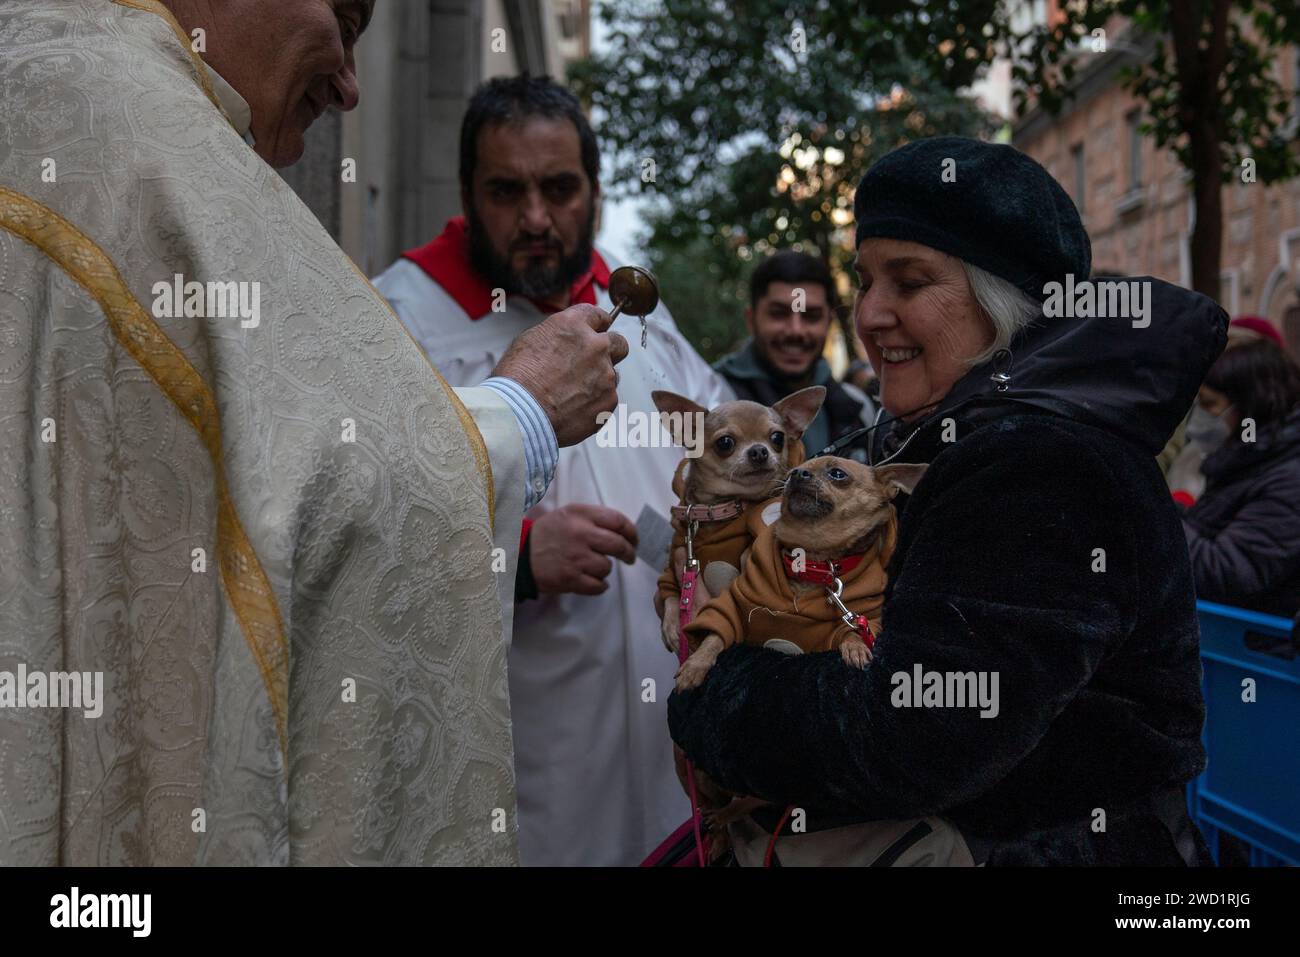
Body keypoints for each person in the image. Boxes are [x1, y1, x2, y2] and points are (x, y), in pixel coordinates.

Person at [0, 0, 625, 865]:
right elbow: (336, 482)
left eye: (560, 189)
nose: (351, 87)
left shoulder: (66, 88)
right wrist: (518, 424)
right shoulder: (141, 140)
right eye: (348, 16)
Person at [669, 136, 1225, 866]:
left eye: (910, 281)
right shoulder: (940, 435)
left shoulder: (1040, 461)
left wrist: (707, 687)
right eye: (865, 281)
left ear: (1004, 305)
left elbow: (910, 734)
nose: (870, 315)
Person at [371, 75, 730, 865]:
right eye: (507, 191)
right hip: (525, 758)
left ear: (595, 192)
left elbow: (720, 437)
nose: (537, 219)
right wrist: (521, 558)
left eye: (560, 189)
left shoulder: (640, 312)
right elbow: (360, 534)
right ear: (468, 192)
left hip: (665, 744)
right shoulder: (393, 319)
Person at [713, 251, 876, 459]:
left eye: (811, 316)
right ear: (751, 320)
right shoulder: (711, 397)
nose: (796, 331)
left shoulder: (858, 409)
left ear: (829, 322)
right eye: (779, 313)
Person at [1180, 340, 1300, 619]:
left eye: (1209, 404)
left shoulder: (1289, 478)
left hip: (1257, 651)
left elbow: (1227, 575)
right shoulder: (1248, 460)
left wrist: (1154, 518)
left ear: (1248, 406)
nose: (1199, 416)